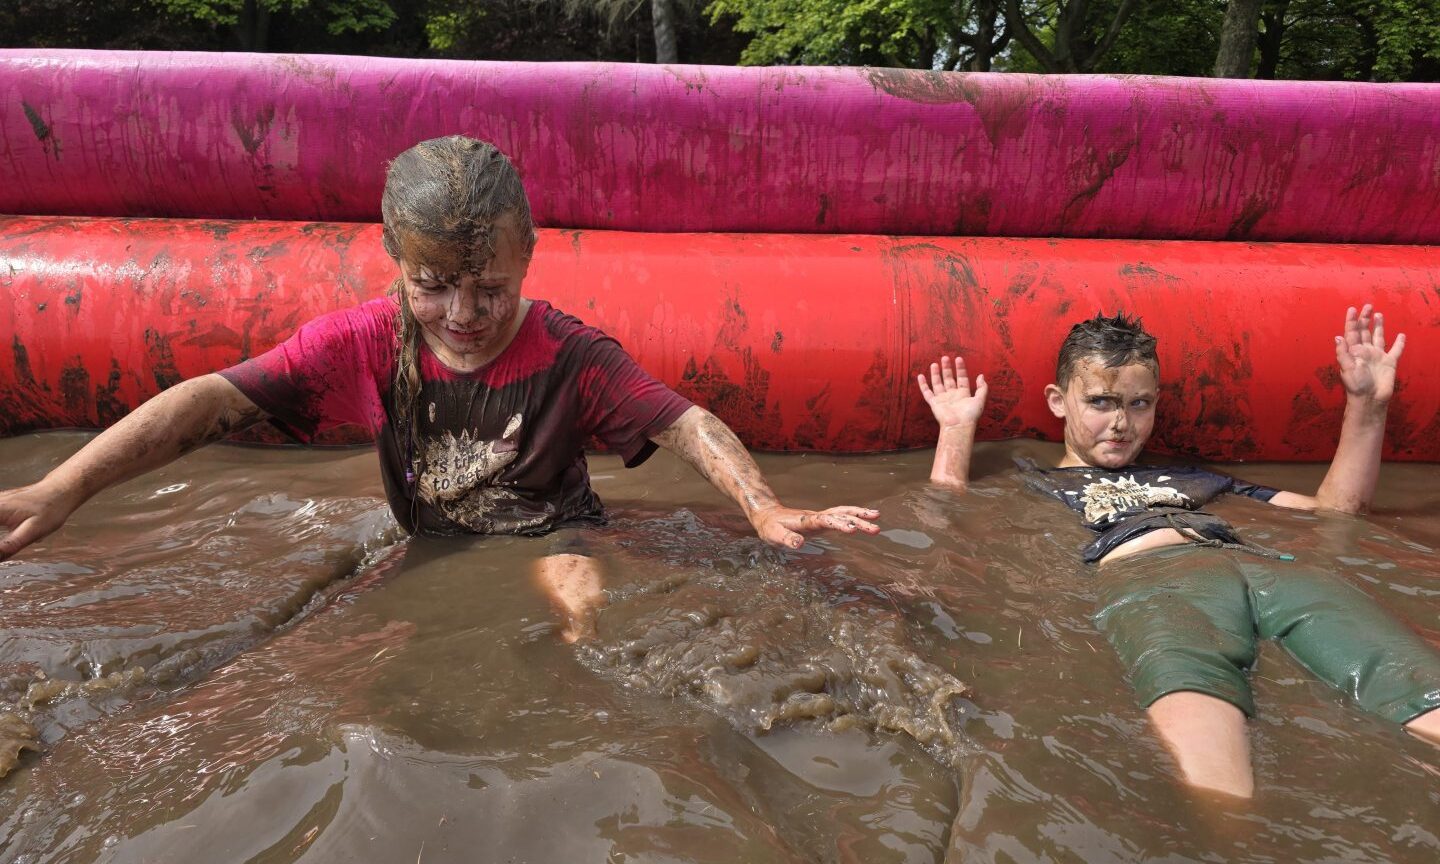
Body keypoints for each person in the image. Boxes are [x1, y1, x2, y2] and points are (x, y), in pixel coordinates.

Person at [0, 136, 880, 642]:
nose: (462, 314)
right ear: (398, 263)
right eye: (433, 286)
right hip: (430, 538)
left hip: (556, 529)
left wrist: (762, 508)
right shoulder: (362, 343)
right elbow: (209, 403)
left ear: (528, 258)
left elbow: (685, 425)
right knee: (310, 639)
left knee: (580, 613)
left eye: (489, 288)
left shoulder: (570, 354)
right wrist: (63, 485)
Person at [916, 306, 1440, 798]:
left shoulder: (1199, 478)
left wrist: (1368, 407)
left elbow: (1334, 514)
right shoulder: (1035, 481)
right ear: (1058, 401)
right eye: (1100, 402)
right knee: (1209, 740)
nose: (1120, 423)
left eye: (1137, 403)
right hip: (1153, 577)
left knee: (1414, 687)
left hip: (1265, 567)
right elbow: (946, 513)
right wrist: (957, 431)